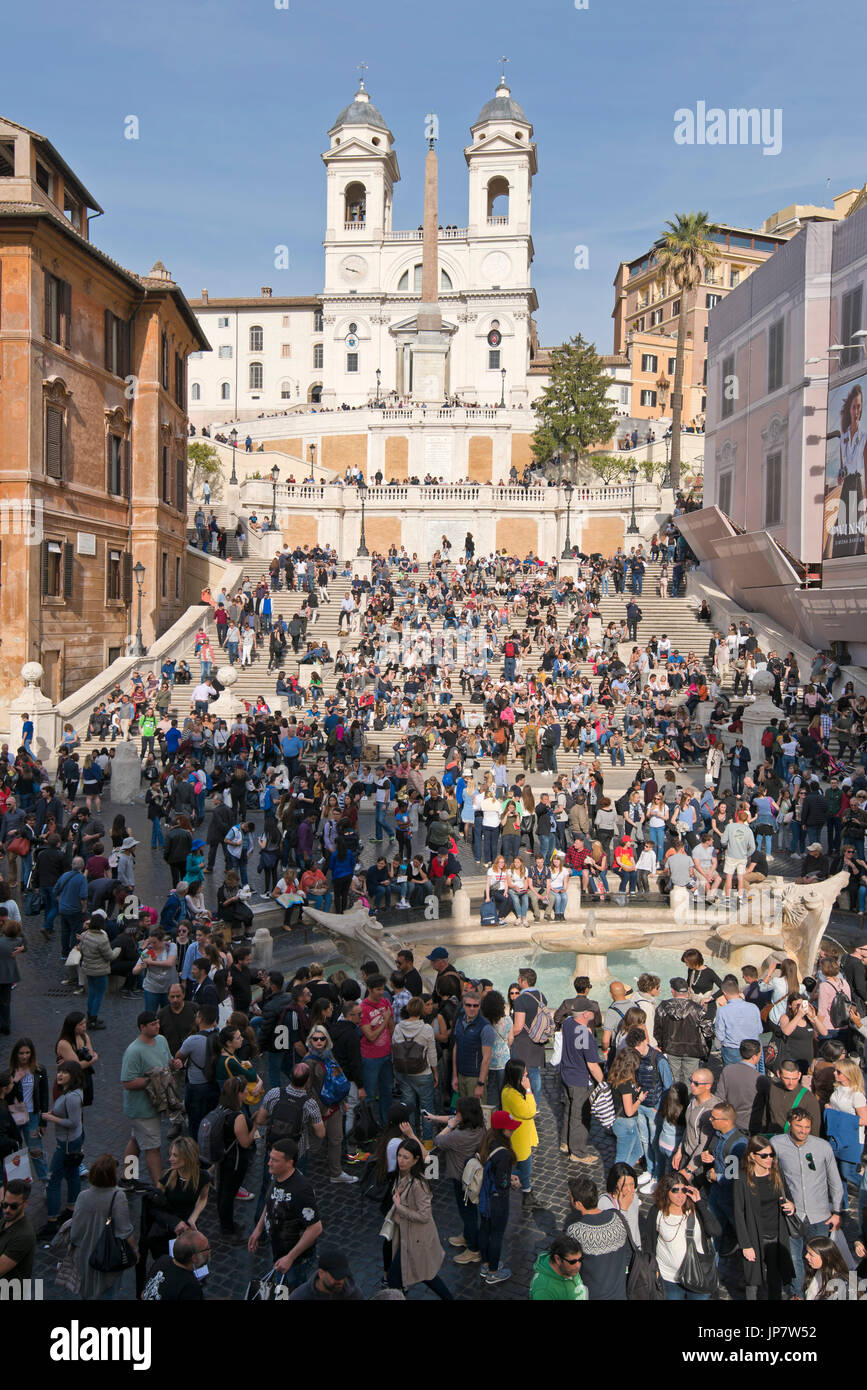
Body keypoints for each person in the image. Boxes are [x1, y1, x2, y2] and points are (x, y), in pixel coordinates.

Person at [771, 1109, 844, 1297]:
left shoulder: (823, 1147)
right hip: (792, 1215)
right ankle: (798, 1294)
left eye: (807, 1127)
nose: (803, 1130)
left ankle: (823, 1293)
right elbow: (773, 1176)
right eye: (799, 1126)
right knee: (795, 1259)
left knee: (821, 1259)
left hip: (819, 1214)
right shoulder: (777, 1144)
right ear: (790, 1124)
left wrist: (837, 1211)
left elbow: (834, 1180)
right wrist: (781, 1200)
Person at [135, 1137, 211, 1296]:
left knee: (190, 1269)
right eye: (171, 1154)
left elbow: (203, 1198)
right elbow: (154, 1209)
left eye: (175, 1155)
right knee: (168, 1268)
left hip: (186, 1231)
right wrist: (175, 1222)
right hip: (164, 1232)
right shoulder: (166, 1178)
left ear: (188, 1157)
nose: (170, 1159)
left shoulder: (202, 1177)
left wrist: (193, 1218)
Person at [384, 1138, 453, 1299]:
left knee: (404, 1277)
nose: (401, 1160)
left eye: (406, 1157)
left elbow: (424, 1215)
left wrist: (400, 1207)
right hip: (408, 1236)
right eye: (399, 1155)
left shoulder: (418, 1184)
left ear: (415, 1160)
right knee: (423, 1275)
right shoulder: (401, 1176)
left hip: (416, 1239)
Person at [732, 1135, 796, 1301]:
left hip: (776, 1234)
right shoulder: (742, 1178)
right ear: (752, 1156)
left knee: (775, 1279)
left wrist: (791, 1206)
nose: (769, 1159)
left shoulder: (776, 1172)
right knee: (752, 1280)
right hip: (754, 1235)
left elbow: (788, 1196)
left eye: (771, 1155)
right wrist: (745, 1245)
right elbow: (738, 1213)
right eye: (764, 1156)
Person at [69, 1152, 138, 1299]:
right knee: (109, 1292)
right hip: (108, 1254)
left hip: (86, 1253)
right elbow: (124, 1231)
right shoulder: (118, 1197)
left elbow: (75, 1233)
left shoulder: (83, 1196)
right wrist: (136, 1250)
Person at [644, 1172, 721, 1300]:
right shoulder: (657, 1212)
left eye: (683, 1190)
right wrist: (652, 1270)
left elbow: (716, 1231)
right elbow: (649, 1242)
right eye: (675, 1190)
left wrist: (700, 1203)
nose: (680, 1195)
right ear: (666, 1192)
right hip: (669, 1278)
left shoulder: (696, 1209)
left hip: (698, 1276)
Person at [120, 1011, 174, 1189]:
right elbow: (127, 1082)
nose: (157, 1026)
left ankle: (127, 1179)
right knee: (153, 1148)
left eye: (157, 1023)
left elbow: (168, 1061)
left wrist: (174, 1065)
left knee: (136, 1140)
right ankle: (160, 1188)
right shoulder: (134, 1052)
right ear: (142, 1028)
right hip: (142, 1109)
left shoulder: (161, 1040)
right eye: (153, 1024)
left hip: (154, 1105)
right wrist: (155, 1080)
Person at [40, 1058, 85, 1239]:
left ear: (72, 1076)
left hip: (66, 1143)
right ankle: (71, 1207)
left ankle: (52, 1220)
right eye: (59, 1071)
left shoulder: (71, 1098)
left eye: (65, 1072)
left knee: (53, 1181)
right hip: (73, 1140)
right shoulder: (72, 1093)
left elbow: (73, 1123)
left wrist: (52, 1119)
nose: (59, 1075)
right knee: (72, 1173)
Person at [566, 1175, 630, 1300]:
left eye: (570, 1197)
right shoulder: (618, 1218)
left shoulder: (576, 1231)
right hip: (620, 1293)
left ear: (578, 1204)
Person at [558, 1002, 604, 1163]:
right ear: (585, 1015)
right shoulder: (586, 1036)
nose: (594, 1013)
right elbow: (592, 1065)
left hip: (566, 1075)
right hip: (580, 1080)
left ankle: (565, 1142)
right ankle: (578, 1152)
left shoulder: (568, 1023)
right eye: (592, 1011)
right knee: (580, 1116)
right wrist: (603, 1082)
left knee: (569, 1111)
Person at [214, 1077, 258, 1240]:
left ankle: (227, 1224)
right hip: (235, 1160)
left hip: (223, 1156)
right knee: (228, 1193)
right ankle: (227, 1229)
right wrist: (257, 1125)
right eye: (244, 1090)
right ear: (238, 1094)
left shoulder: (222, 1108)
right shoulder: (237, 1117)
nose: (246, 1091)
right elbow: (245, 1142)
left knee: (223, 1192)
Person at [477, 1111, 518, 1284]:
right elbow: (502, 1183)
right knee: (496, 1235)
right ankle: (493, 1271)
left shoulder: (487, 1142)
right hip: (497, 1200)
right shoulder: (504, 1154)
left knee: (485, 1230)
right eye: (509, 1128)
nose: (512, 1131)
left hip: (485, 1196)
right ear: (502, 1130)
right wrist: (512, 1182)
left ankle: (486, 1264)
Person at [653, 978, 713, 1084]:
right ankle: (687, 1100)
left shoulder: (663, 1006)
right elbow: (708, 1032)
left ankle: (674, 1099)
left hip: (670, 1048)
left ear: (672, 991)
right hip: (693, 1050)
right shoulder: (697, 1008)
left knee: (671, 1080)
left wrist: (661, 1044)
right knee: (690, 1080)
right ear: (688, 990)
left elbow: (657, 1029)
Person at [501, 1059, 542, 1213]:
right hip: (520, 1139)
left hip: (522, 1135)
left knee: (524, 1168)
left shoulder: (510, 1090)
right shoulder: (511, 1094)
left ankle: (527, 1195)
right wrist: (530, 1090)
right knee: (525, 1171)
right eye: (524, 1071)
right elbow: (530, 1111)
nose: (527, 1073)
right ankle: (501, 1179)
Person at [9, 1038, 50, 1181]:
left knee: (36, 1150)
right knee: (15, 1153)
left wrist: (43, 1122)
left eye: (27, 1053)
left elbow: (45, 1095)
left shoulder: (39, 1070)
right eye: (21, 1053)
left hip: (33, 1116)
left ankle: (46, 1181)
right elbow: (5, 1096)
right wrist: (14, 1080)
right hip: (14, 1117)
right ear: (16, 1054)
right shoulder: (9, 1073)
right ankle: (18, 1183)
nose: (24, 1056)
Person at [507, 967, 548, 1103]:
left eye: (519, 978)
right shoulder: (542, 996)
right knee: (535, 1072)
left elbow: (518, 1027)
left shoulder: (521, 1000)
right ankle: (535, 1103)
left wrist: (509, 1036)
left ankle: (522, 1102)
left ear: (523, 981)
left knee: (520, 1072)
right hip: (538, 1039)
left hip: (523, 1042)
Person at [716, 1039, 769, 1135]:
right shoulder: (760, 1079)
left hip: (729, 1123)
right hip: (750, 1125)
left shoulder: (727, 1071)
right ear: (754, 1057)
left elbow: (719, 1098)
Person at [140, 1228, 208, 1300]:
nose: (209, 1251)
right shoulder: (190, 1285)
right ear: (194, 1258)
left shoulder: (163, 1260)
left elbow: (143, 1294)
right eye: (206, 1249)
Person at [713, 975, 763, 1067]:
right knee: (751, 1076)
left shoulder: (722, 1010)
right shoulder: (753, 1007)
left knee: (732, 1077)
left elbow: (720, 1035)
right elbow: (759, 1030)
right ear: (738, 991)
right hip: (752, 1048)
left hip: (732, 1049)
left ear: (724, 992)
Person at [288, 1244, 365, 1300]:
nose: (341, 1281)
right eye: (336, 1276)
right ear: (321, 1273)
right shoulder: (300, 1297)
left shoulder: (354, 1294)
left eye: (344, 1276)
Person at [529, 1232, 588, 1300]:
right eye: (573, 1262)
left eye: (580, 1259)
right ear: (558, 1259)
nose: (578, 1265)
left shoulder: (569, 1269)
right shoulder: (544, 1291)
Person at [0, 1179, 36, 1287]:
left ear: (25, 1204)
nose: (7, 1210)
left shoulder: (24, 1235)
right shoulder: (5, 1221)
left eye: (14, 1206)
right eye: (5, 1204)